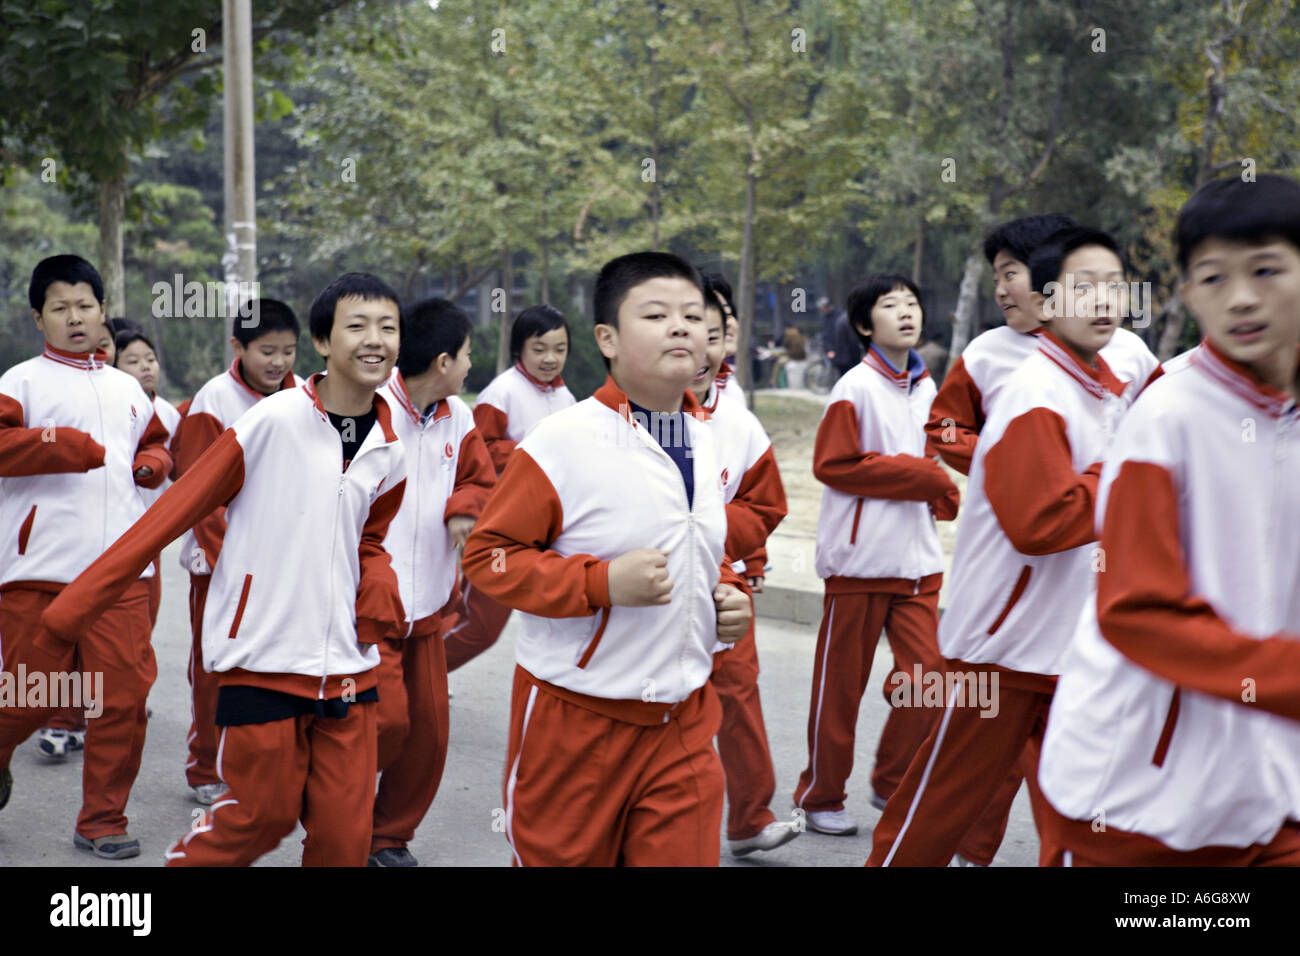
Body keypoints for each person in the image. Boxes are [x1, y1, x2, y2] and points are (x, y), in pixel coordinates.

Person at [40, 273, 408, 867]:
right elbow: (172, 515)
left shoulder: (392, 441)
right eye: (358, 326)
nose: (376, 340)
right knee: (261, 817)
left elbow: (370, 536)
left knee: (344, 839)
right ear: (323, 341)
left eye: (388, 328)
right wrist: (71, 610)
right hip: (261, 657)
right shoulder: (272, 421)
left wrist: (379, 581)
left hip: (347, 666)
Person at [1036, 174, 1300, 866]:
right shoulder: (1167, 416)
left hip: (1270, 791)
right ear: (1187, 295)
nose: (1241, 298)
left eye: (1267, 270)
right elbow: (1136, 609)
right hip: (1138, 801)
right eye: (1212, 278)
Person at [462, 251, 752, 866]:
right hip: (576, 723)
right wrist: (600, 583)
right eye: (656, 314)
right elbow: (487, 558)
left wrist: (726, 593)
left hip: (685, 722)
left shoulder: (708, 437)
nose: (681, 328)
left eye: (693, 316)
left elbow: (696, 545)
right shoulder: (563, 441)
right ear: (608, 339)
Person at [867, 228, 1143, 866]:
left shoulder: (1105, 382)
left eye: (1113, 285)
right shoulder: (1034, 393)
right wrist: (1129, 472)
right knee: (936, 810)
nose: (1103, 301)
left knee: (1087, 818)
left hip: (1070, 646)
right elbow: (1042, 524)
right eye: (1082, 288)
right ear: (1045, 305)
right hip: (1001, 651)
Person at [0, 254, 172, 860]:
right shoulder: (19, 382)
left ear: (103, 312)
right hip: (38, 570)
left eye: (85, 306)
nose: (75, 318)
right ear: (37, 318)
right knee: (30, 695)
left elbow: (152, 442)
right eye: (60, 308)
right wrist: (63, 445)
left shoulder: (128, 388)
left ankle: (102, 819)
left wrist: (154, 464)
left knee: (123, 699)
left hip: (121, 573)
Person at [793, 274, 959, 838]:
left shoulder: (929, 388)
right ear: (866, 324)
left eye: (912, 303)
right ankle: (820, 795)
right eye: (891, 306)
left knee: (929, 678)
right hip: (859, 565)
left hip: (918, 565)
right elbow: (833, 465)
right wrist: (920, 477)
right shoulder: (854, 389)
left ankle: (891, 782)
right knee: (839, 688)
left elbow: (934, 456)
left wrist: (942, 489)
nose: (907, 313)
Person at [369, 297, 494, 867]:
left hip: (429, 609)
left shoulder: (459, 417)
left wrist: (465, 507)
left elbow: (478, 479)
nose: (471, 365)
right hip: (370, 605)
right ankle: (332, 813)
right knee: (385, 723)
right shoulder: (370, 412)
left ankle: (388, 837)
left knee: (429, 735)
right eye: (467, 355)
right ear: (443, 360)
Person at [171, 299, 302, 806]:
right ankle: (205, 766)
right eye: (267, 351)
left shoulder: (305, 397)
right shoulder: (213, 402)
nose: (279, 362)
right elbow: (200, 496)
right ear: (238, 347)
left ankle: (262, 764)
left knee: (273, 668)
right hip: (221, 566)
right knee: (213, 669)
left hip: (288, 561)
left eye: (288, 351)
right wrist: (241, 561)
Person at [688, 289, 795, 856]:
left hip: (724, 582)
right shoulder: (632, 412)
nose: (700, 347)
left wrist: (740, 556)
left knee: (738, 697)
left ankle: (750, 818)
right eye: (685, 331)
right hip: (653, 585)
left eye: (713, 332)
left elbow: (767, 504)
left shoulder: (739, 417)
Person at [443, 305, 575, 672]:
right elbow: (477, 454)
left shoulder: (567, 400)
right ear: (520, 349)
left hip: (547, 531)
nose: (550, 358)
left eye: (560, 349)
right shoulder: (499, 394)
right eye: (540, 348)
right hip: (499, 527)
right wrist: (532, 453)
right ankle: (413, 679)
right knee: (479, 624)